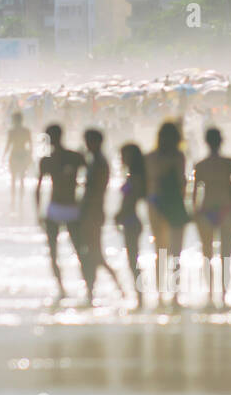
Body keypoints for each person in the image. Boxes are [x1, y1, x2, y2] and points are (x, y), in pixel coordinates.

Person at [191, 126, 231, 310]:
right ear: (221, 141)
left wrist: (195, 213)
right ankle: (223, 293)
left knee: (207, 254)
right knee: (226, 254)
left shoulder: (201, 165)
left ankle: (210, 292)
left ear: (206, 142)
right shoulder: (229, 163)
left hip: (206, 210)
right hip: (227, 209)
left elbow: (194, 193)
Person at [35, 124, 89, 304]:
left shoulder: (47, 160)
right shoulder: (74, 157)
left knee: (54, 252)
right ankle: (88, 289)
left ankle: (62, 289)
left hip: (55, 208)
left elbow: (38, 188)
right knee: (79, 250)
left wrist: (38, 212)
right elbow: (90, 177)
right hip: (71, 207)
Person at [146, 121, 190, 309]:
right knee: (176, 253)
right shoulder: (178, 157)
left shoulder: (150, 157)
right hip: (175, 206)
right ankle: (175, 295)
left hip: (155, 204)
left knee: (160, 251)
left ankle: (159, 292)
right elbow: (182, 182)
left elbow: (148, 183)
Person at [77, 129, 124, 306]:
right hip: (94, 211)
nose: (86, 145)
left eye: (88, 141)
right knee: (93, 253)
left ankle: (113, 288)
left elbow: (93, 191)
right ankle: (93, 290)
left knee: (94, 254)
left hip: (92, 212)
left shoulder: (99, 163)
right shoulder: (97, 161)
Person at [114, 143, 148, 310]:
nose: (122, 159)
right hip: (130, 220)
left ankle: (140, 297)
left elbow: (132, 199)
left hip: (131, 221)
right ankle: (139, 296)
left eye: (124, 155)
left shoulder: (135, 177)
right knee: (132, 260)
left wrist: (120, 214)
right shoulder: (134, 175)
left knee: (133, 260)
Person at [3, 111, 33, 208]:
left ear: (14, 120)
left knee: (13, 178)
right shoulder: (26, 131)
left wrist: (3, 155)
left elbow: (8, 144)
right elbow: (31, 144)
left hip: (15, 154)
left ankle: (13, 200)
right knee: (22, 179)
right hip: (23, 154)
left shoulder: (11, 131)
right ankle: (20, 200)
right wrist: (30, 156)